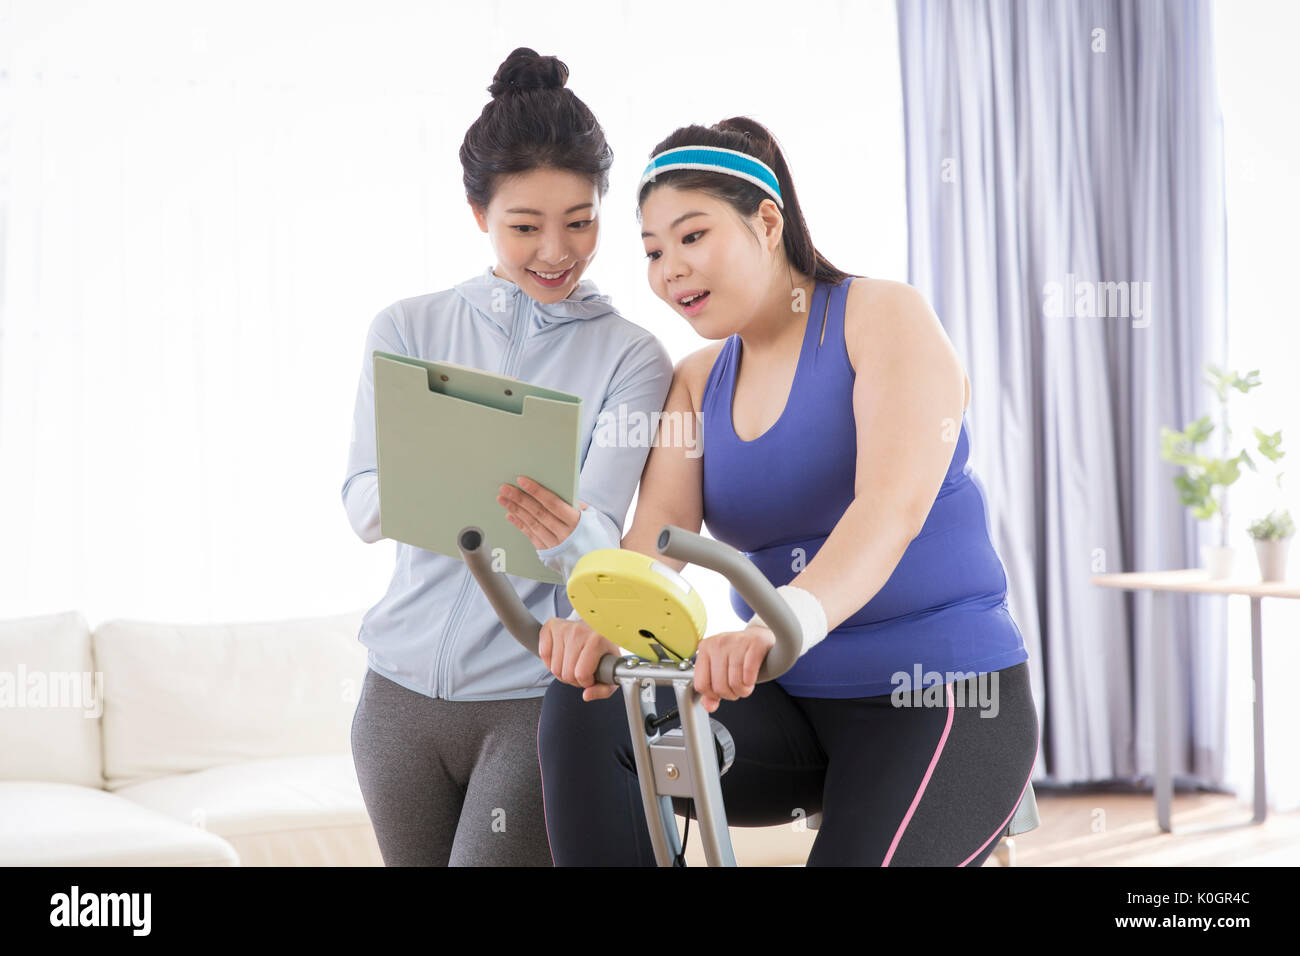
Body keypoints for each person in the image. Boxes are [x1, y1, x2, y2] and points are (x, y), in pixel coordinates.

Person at [501, 117, 1040, 866]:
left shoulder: (882, 316)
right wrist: (603, 623)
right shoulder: (695, 382)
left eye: (692, 237)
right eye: (653, 251)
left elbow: (891, 511)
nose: (670, 270)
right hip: (787, 708)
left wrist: (775, 624)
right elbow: (654, 543)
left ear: (766, 221)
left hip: (939, 697)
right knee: (594, 705)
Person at [341, 48, 672, 866]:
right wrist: (451, 482)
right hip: (395, 700)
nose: (557, 250)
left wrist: (558, 529)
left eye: (581, 220)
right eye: (525, 226)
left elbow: (598, 553)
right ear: (477, 213)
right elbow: (361, 502)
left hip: (531, 700)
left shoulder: (633, 357)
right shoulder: (406, 329)